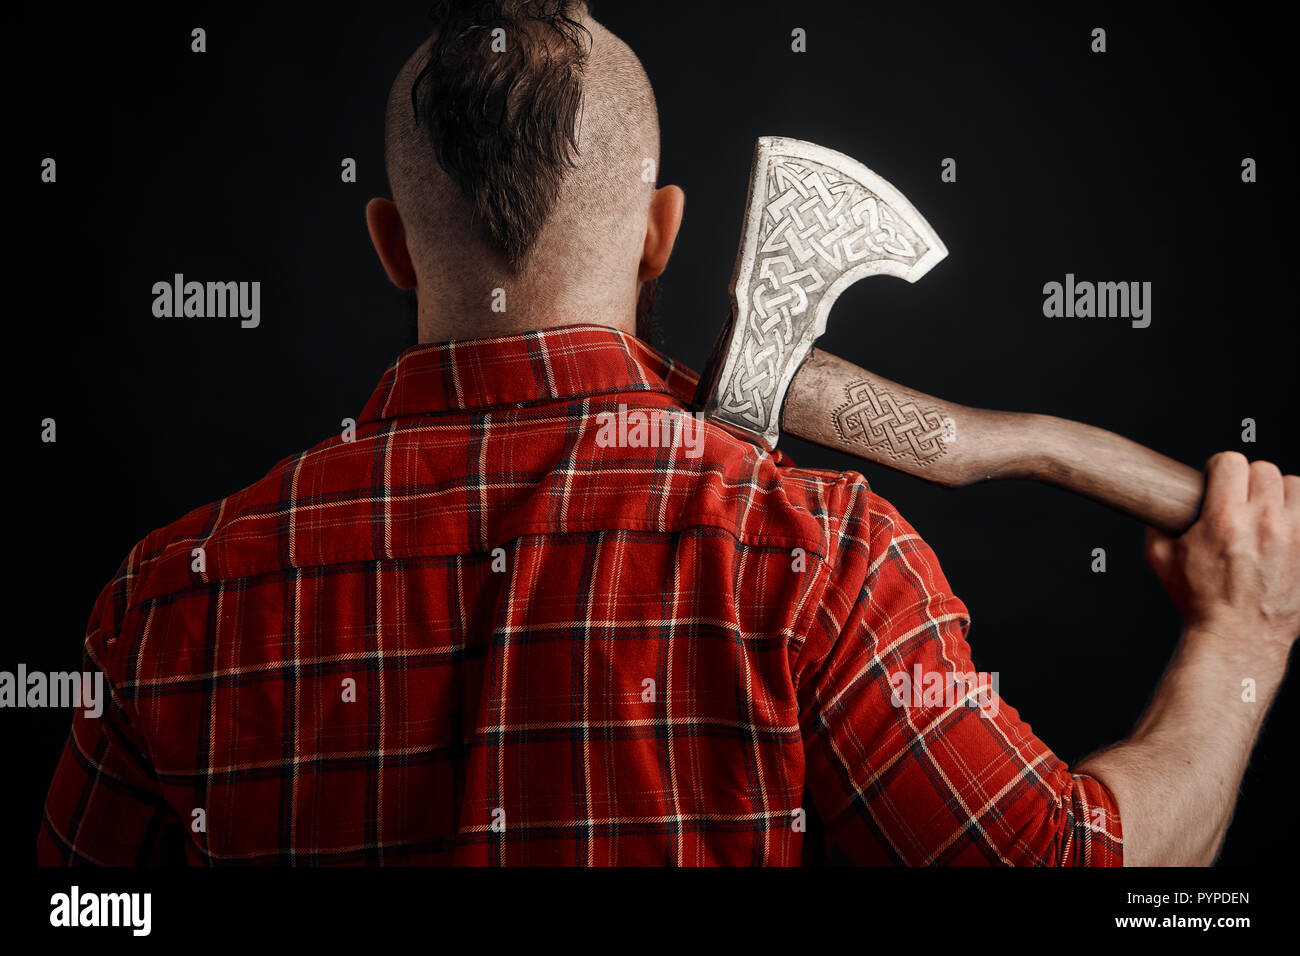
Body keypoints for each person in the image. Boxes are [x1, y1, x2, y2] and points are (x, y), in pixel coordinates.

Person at [39, 0, 1299, 866]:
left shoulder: (167, 594)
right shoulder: (816, 556)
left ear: (386, 243)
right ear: (661, 233)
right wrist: (1239, 642)